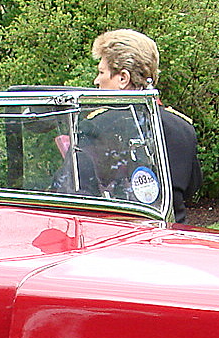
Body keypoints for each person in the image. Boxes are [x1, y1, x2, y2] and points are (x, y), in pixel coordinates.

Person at [91, 29, 202, 224]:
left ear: (123, 78)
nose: (97, 80)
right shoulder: (183, 127)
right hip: (171, 239)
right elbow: (192, 189)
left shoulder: (93, 127)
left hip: (117, 241)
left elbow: (69, 191)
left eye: (101, 72)